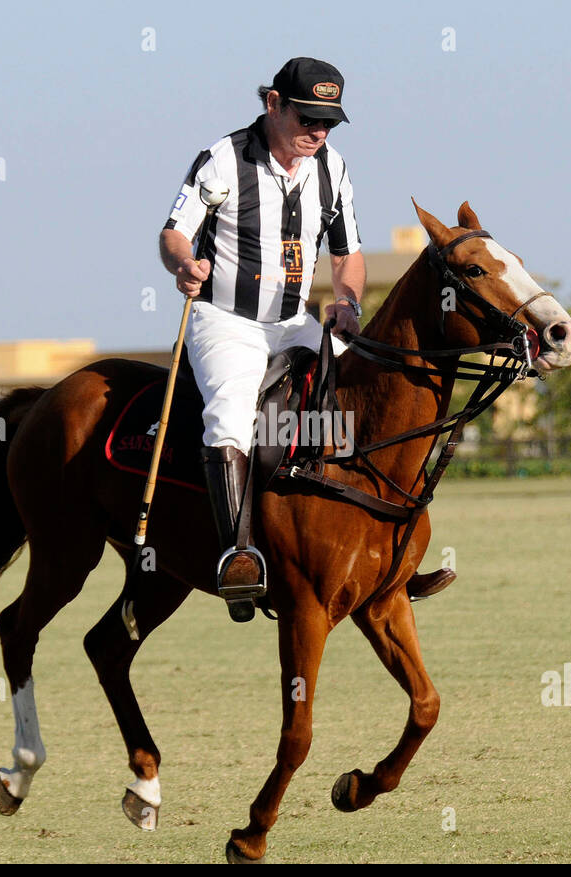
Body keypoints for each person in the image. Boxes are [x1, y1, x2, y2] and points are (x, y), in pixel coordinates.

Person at [159, 56, 454, 621]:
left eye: (329, 122)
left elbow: (347, 254)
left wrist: (348, 301)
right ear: (273, 104)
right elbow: (173, 233)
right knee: (229, 413)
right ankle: (239, 557)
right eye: (307, 118)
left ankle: (389, 556)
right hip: (228, 320)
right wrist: (183, 264)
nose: (318, 131)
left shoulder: (331, 168)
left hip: (296, 320)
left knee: (374, 393)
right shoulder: (223, 160)